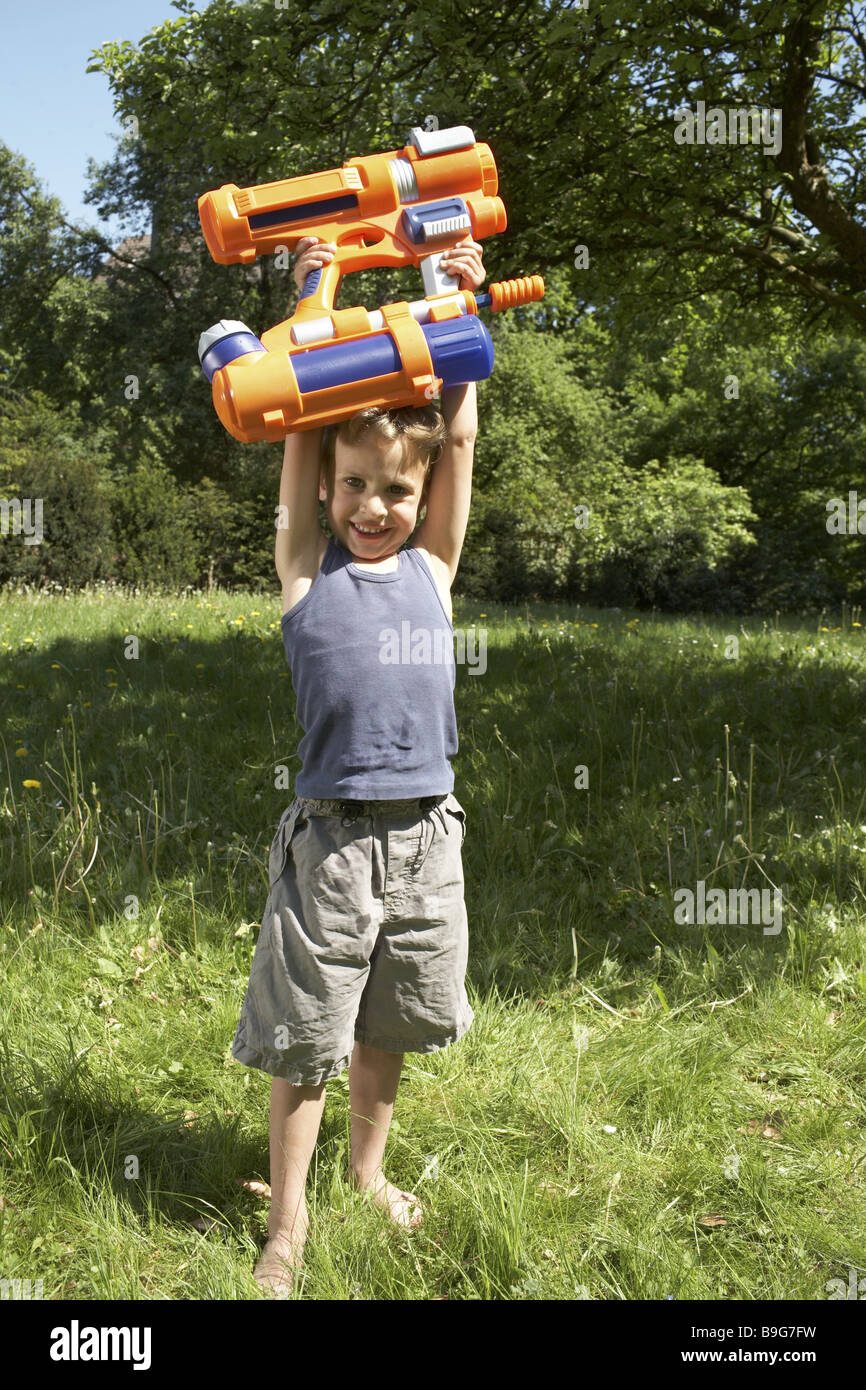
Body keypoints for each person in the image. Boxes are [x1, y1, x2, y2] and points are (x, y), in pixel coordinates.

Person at [231, 232, 486, 1296]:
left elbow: (460, 441)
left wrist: (453, 300)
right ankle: (285, 1225)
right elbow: (291, 423)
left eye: (392, 488)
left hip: (426, 836)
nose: (372, 505)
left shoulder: (433, 568)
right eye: (353, 486)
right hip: (333, 841)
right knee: (308, 1037)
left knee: (390, 1025)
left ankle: (365, 1171)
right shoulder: (304, 574)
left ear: (418, 498)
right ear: (325, 490)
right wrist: (308, 294)